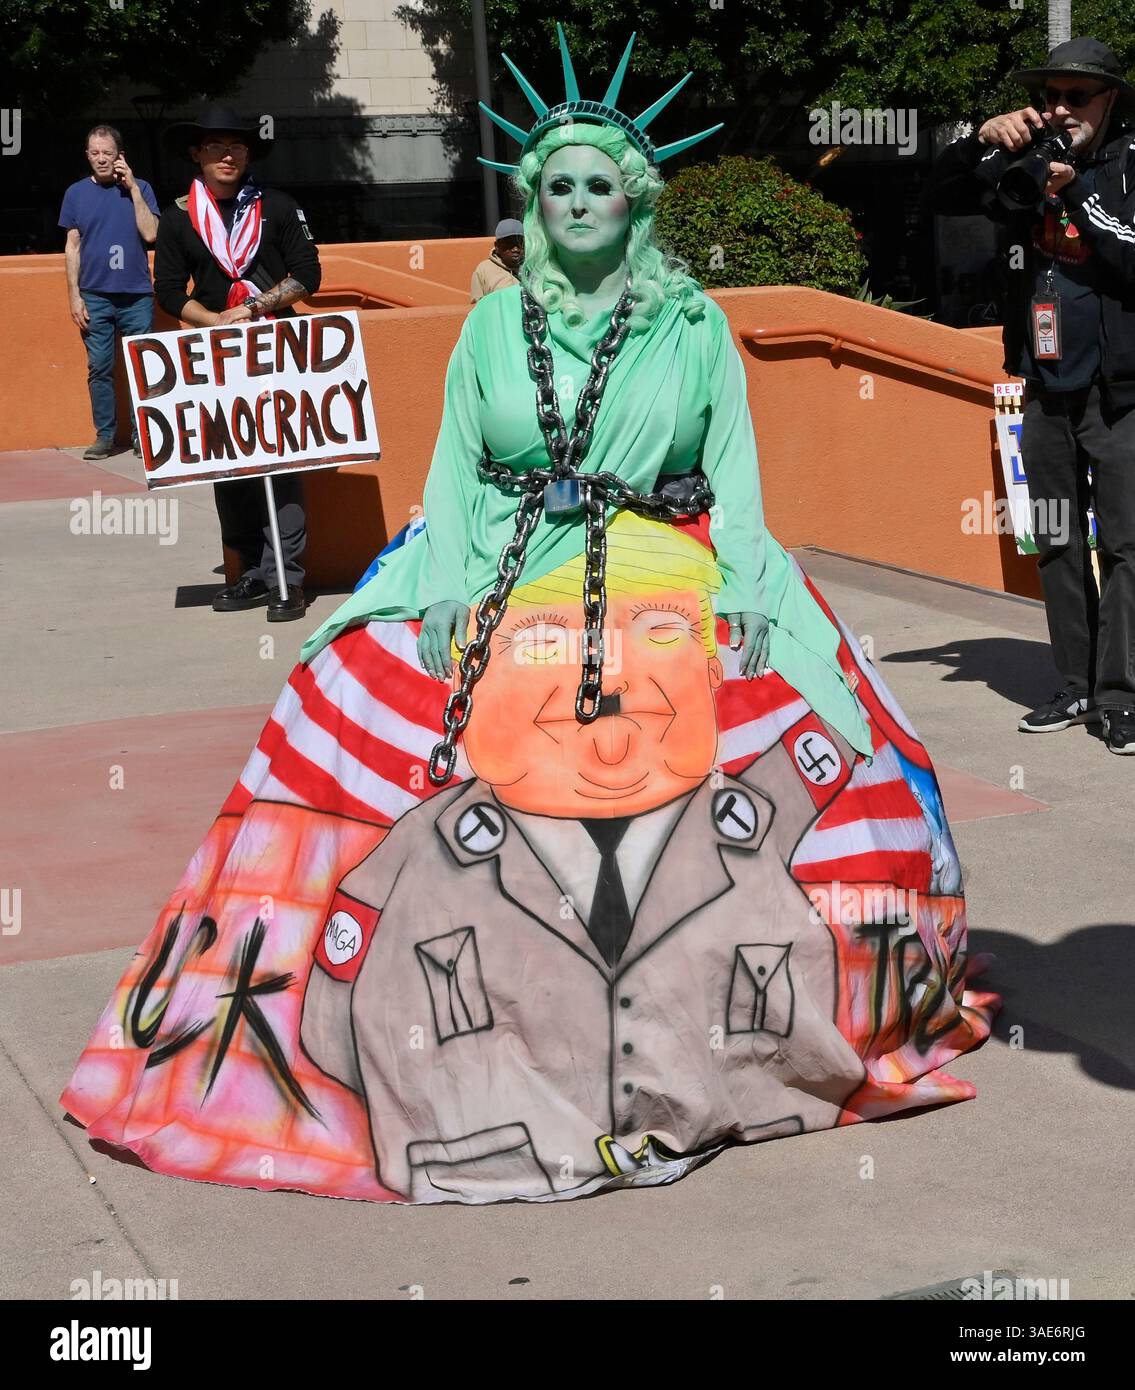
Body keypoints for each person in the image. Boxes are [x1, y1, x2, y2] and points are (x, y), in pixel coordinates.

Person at [62, 30, 997, 1206]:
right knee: (337, 697)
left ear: (637, 199)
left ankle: (708, 1052)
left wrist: (755, 593)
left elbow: (740, 479)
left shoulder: (693, 325)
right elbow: (453, 470)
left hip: (662, 555)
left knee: (801, 724)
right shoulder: (492, 327)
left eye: (599, 183)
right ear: (533, 204)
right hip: (499, 553)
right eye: (555, 185)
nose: (577, 201)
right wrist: (444, 584)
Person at [928, 37, 1135, 755]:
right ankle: (1072, 682)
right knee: (1054, 541)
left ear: (1109, 100)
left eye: (1076, 97)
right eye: (1050, 95)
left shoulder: (1127, 165)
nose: (1059, 108)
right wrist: (975, 141)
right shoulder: (1026, 154)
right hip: (1043, 386)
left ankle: (1120, 696)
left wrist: (1070, 187)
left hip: (1118, 396)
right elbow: (943, 196)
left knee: (1124, 544)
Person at [154, 103, 321, 623]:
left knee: (282, 463)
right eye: (216, 147)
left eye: (238, 148)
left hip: (279, 350)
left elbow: (307, 275)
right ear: (196, 155)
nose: (228, 156)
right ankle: (251, 571)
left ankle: (286, 577)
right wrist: (215, 322)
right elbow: (166, 291)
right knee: (229, 464)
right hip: (217, 355)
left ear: (248, 155)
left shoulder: (276, 205)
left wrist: (250, 309)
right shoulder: (178, 217)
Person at [59, 125, 159, 460]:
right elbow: (72, 247)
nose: (101, 159)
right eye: (95, 152)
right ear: (87, 155)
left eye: (108, 153)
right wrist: (74, 296)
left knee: (141, 367)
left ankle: (141, 436)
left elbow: (151, 234)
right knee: (99, 368)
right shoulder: (75, 193)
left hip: (137, 295)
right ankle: (104, 436)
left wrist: (132, 189)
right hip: (95, 296)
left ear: (120, 156)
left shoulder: (141, 188)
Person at [470, 216, 524, 302]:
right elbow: (477, 307)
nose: (516, 249)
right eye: (509, 243)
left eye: (520, 243)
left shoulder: (532, 267)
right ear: (497, 246)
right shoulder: (483, 270)